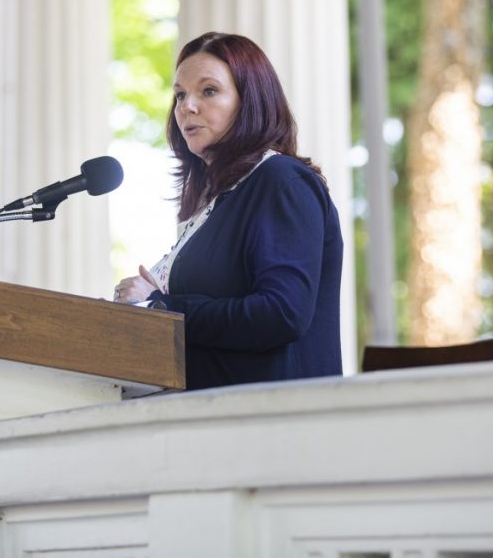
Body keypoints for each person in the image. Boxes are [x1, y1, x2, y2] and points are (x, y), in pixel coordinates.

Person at [113, 32, 343, 390]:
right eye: (180, 95)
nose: (187, 107)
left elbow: (281, 313)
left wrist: (161, 307)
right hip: (205, 409)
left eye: (208, 91)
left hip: (272, 413)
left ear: (250, 101)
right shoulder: (217, 202)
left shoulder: (282, 181)